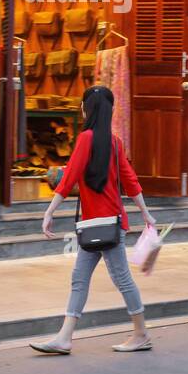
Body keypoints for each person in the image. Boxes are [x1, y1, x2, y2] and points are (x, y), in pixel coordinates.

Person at [31, 86, 156, 354]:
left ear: (87, 110)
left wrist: (49, 211)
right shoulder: (115, 142)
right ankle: (65, 338)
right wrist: (144, 212)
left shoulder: (86, 139)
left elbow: (70, 176)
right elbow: (131, 180)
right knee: (81, 278)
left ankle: (141, 333)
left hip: (100, 226)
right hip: (105, 224)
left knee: (121, 278)